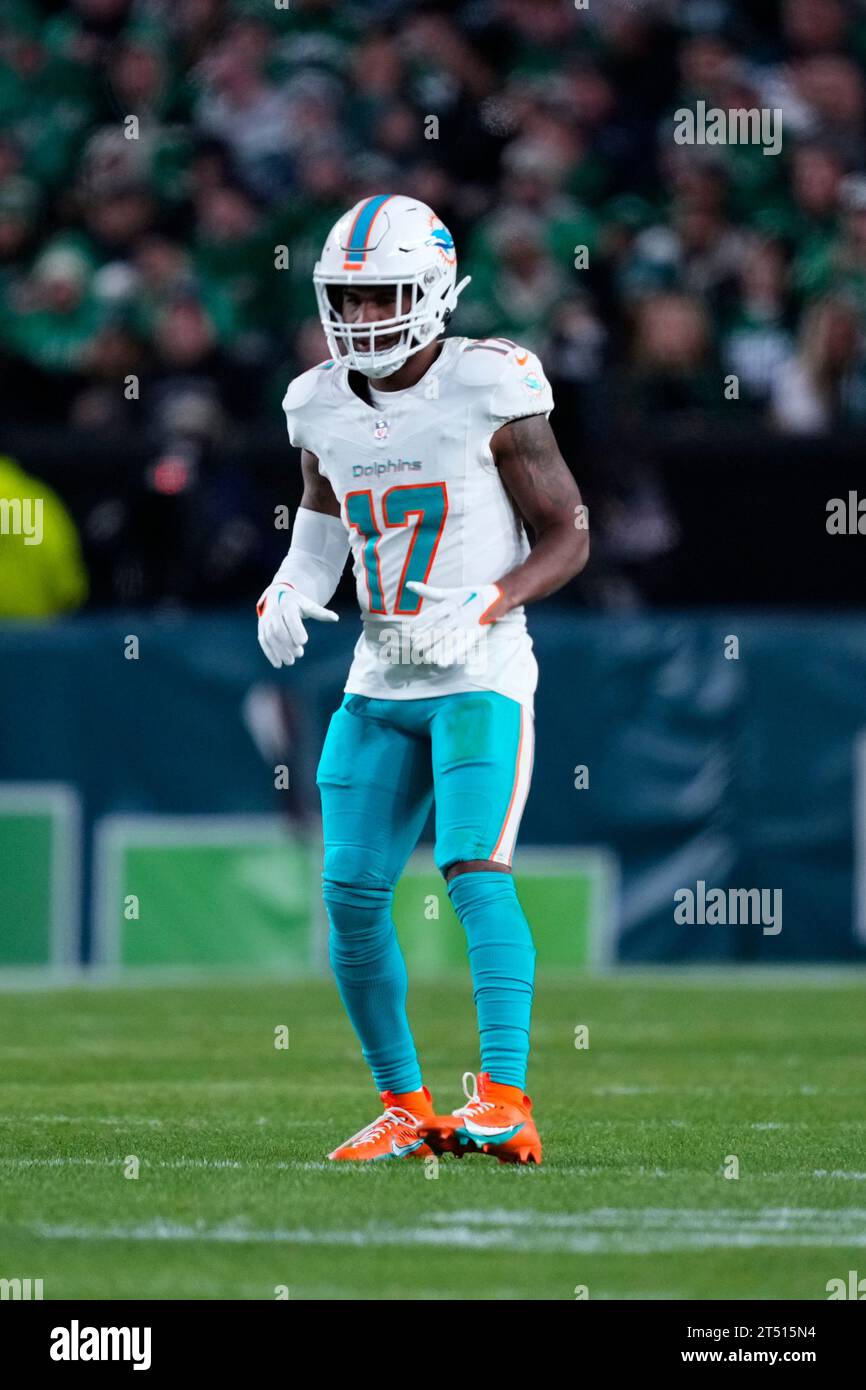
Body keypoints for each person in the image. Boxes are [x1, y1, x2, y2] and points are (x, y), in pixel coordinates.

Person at [256, 194, 588, 1165]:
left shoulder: (490, 383)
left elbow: (568, 531)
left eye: (382, 297)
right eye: (347, 301)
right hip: (377, 676)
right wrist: (289, 583)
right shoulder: (315, 400)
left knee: (473, 870)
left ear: (434, 291)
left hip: (478, 670)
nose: (361, 320)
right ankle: (405, 1104)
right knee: (351, 894)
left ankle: (503, 1097)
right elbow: (322, 512)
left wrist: (488, 599)